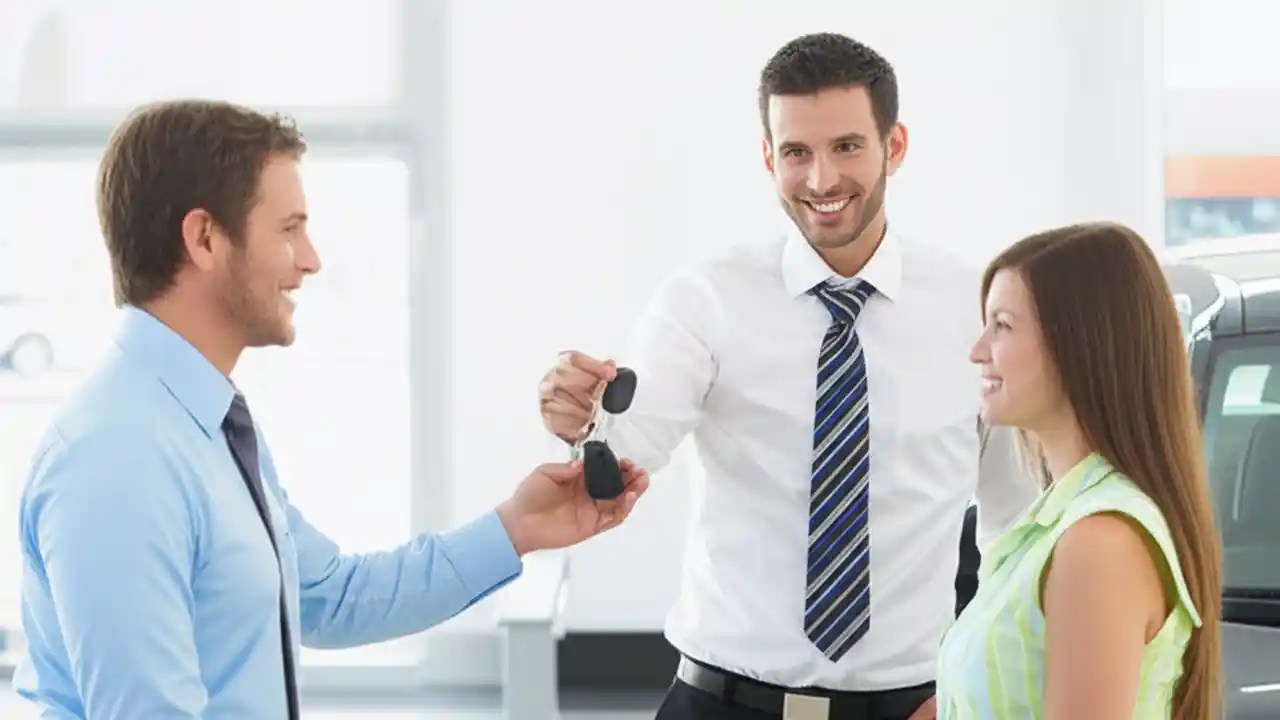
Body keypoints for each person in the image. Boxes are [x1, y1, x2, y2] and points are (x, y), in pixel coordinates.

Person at [13, 99, 649, 720]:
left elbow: (328, 595)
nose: (311, 260)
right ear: (205, 239)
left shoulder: (204, 422)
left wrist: (516, 527)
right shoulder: (119, 458)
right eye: (289, 229)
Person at [539, 33, 1039, 720]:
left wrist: (980, 689)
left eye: (847, 147)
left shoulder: (974, 309)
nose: (822, 180)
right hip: (721, 702)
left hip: (913, 707)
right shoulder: (706, 299)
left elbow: (1016, 528)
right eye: (797, 152)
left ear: (894, 147)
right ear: (769, 157)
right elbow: (630, 444)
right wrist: (581, 420)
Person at [935, 222, 1223, 719]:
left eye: (1002, 325)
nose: (978, 351)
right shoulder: (1062, 519)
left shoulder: (1100, 542)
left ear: (1078, 343)